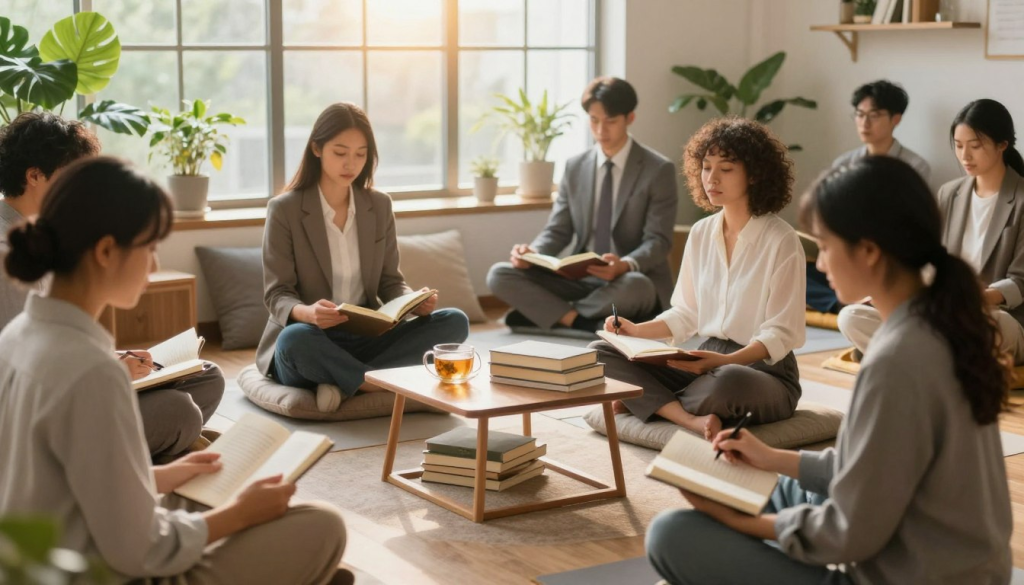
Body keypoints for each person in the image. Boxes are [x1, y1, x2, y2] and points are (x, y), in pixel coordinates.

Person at [645, 156, 1012, 585]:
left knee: (672, 534)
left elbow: (849, 533)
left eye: (826, 246)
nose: (819, 264)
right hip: (971, 570)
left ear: (870, 252)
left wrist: (739, 524)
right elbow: (875, 466)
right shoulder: (939, 326)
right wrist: (772, 457)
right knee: (771, 484)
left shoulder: (898, 361)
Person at [0, 157, 351, 584]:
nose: (152, 266)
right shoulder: (90, 371)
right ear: (106, 251)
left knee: (206, 492)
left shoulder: (19, 333)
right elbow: (141, 549)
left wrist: (167, 474)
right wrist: (240, 516)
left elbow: (60, 480)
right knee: (322, 524)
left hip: (44, 556)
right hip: (95, 572)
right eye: (149, 248)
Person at [0, 112, 225, 461]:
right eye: (78, 181)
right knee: (179, 412)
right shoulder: (7, 259)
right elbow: (22, 379)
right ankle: (171, 442)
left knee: (206, 377)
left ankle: (170, 441)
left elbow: (58, 345)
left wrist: (111, 361)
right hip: (39, 424)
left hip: (73, 388)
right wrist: (106, 371)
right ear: (34, 176)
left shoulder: (45, 236)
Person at [591, 117, 805, 440]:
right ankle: (687, 418)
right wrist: (636, 331)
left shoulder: (782, 240)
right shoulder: (701, 233)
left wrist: (724, 360)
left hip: (760, 370)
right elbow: (686, 313)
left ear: (756, 174)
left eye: (726, 169)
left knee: (728, 382)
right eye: (706, 167)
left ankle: (646, 400)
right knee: (600, 352)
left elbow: (781, 333)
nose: (712, 178)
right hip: (704, 361)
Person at [257, 102, 469, 405]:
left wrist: (412, 302)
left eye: (360, 154)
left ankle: (342, 380)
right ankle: (376, 384)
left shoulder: (378, 206)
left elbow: (390, 281)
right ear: (317, 149)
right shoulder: (284, 209)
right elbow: (277, 293)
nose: (350, 164)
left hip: (368, 338)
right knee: (293, 341)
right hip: (312, 336)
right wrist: (309, 313)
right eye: (340, 153)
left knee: (454, 321)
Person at [486, 76, 678, 334]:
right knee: (499, 274)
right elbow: (558, 229)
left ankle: (550, 313)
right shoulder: (575, 167)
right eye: (594, 120)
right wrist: (532, 254)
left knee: (638, 287)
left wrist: (624, 264)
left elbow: (658, 241)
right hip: (579, 278)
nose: (601, 131)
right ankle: (581, 322)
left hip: (627, 278)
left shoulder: (657, 170)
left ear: (629, 118)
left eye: (610, 121)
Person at [839, 98, 1024, 363]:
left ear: (1002, 145)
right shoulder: (950, 194)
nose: (964, 156)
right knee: (851, 317)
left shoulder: (1021, 200)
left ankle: (909, 356)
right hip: (941, 312)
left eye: (975, 146)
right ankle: (936, 359)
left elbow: (1020, 282)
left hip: (995, 316)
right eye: (959, 146)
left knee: (992, 325)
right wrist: (890, 290)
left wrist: (968, 300)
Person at [808, 80, 931, 315]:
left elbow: (910, 223)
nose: (864, 123)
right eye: (859, 114)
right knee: (798, 271)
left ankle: (854, 301)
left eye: (874, 115)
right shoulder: (844, 164)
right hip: (847, 252)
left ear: (896, 118)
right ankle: (844, 302)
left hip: (885, 256)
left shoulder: (914, 167)